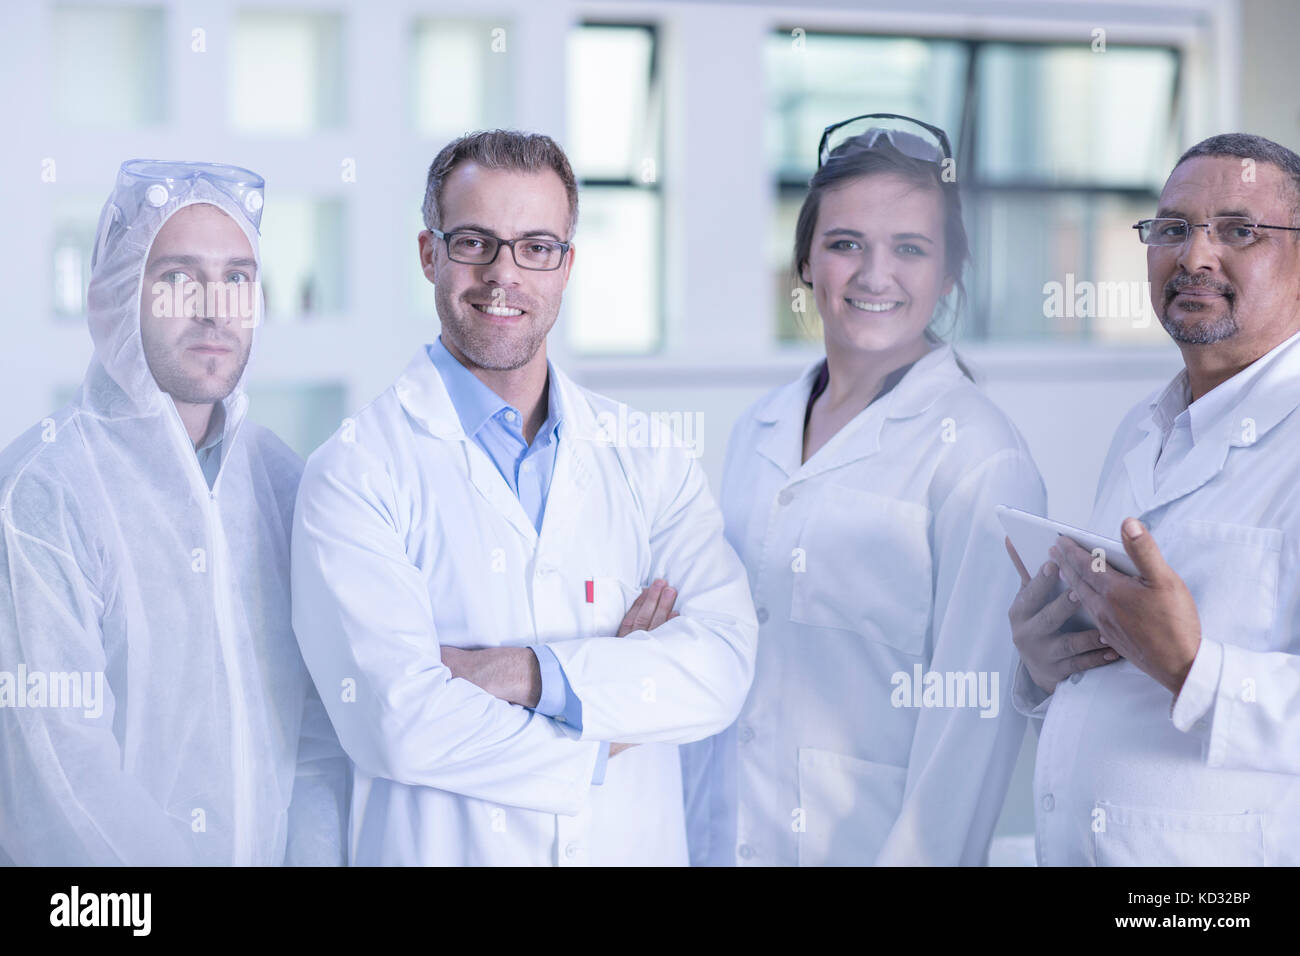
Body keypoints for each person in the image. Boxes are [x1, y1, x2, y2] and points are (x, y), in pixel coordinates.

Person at [290, 129, 757, 866]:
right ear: (429, 254)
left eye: (536, 246)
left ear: (567, 264)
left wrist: (520, 673)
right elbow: (397, 724)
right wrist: (614, 714)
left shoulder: (651, 457)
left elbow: (723, 665)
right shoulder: (355, 472)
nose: (504, 275)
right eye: (475, 242)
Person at [680, 115, 1046, 865]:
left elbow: (969, 736)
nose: (875, 275)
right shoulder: (760, 426)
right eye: (845, 243)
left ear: (946, 275)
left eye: (909, 249)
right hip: (723, 835)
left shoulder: (980, 456)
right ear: (806, 262)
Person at [0, 160, 349, 865]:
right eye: (179, 279)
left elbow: (318, 736)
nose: (215, 309)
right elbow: (63, 779)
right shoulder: (43, 491)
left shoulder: (283, 482)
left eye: (238, 279)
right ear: (119, 293)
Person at [1007, 132, 1300, 866]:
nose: (1193, 256)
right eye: (1172, 228)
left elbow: (1182, 666)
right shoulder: (1145, 427)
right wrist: (1049, 664)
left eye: (1239, 231)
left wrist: (1197, 668)